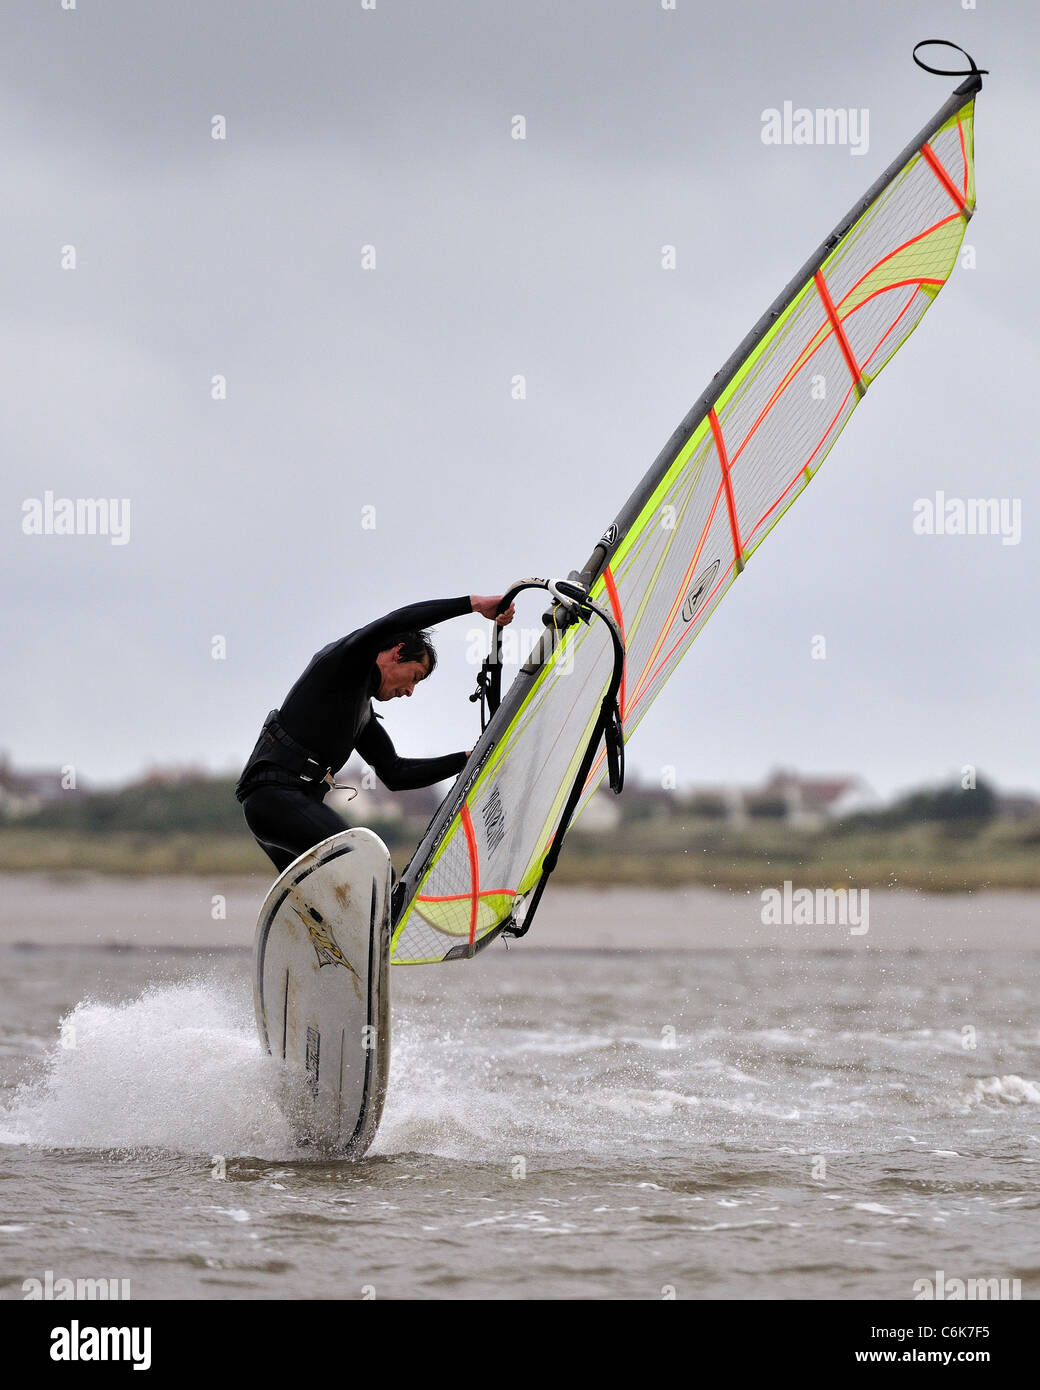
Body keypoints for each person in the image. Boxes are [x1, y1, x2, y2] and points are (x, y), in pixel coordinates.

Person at [236, 593, 515, 873]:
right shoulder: (344, 662)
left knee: (335, 905)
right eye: (415, 676)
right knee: (375, 870)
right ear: (397, 651)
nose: (409, 691)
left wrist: (470, 758)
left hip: (282, 805)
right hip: (274, 797)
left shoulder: (361, 713)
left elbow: (396, 773)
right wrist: (474, 604)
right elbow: (395, 622)